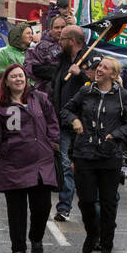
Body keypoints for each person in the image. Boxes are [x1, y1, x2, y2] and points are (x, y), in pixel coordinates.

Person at [0, 63, 60, 253]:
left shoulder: (40, 99)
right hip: (13, 164)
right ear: (6, 82)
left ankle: (36, 238)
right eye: (13, 77)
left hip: (42, 163)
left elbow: (52, 121)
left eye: (21, 76)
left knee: (42, 207)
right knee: (16, 210)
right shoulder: (1, 107)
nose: (18, 79)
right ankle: (18, 248)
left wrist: (53, 141)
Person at [63, 56, 127, 253]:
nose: (100, 69)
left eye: (105, 67)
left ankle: (106, 246)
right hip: (85, 153)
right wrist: (75, 120)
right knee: (85, 200)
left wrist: (116, 135)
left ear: (113, 75)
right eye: (99, 66)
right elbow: (66, 110)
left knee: (108, 202)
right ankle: (92, 232)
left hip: (109, 155)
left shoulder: (122, 95)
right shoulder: (86, 91)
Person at [51, 24, 90, 222]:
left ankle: (88, 206)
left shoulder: (91, 57)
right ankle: (64, 206)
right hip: (64, 121)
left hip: (84, 123)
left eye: (63, 38)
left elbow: (98, 85)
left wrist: (81, 74)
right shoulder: (62, 61)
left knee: (82, 167)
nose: (59, 41)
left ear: (73, 41)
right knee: (65, 165)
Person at [0, 23, 33, 127]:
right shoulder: (2, 54)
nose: (31, 35)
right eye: (28, 33)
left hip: (28, 100)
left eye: (32, 33)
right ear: (18, 35)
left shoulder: (32, 53)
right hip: (9, 102)